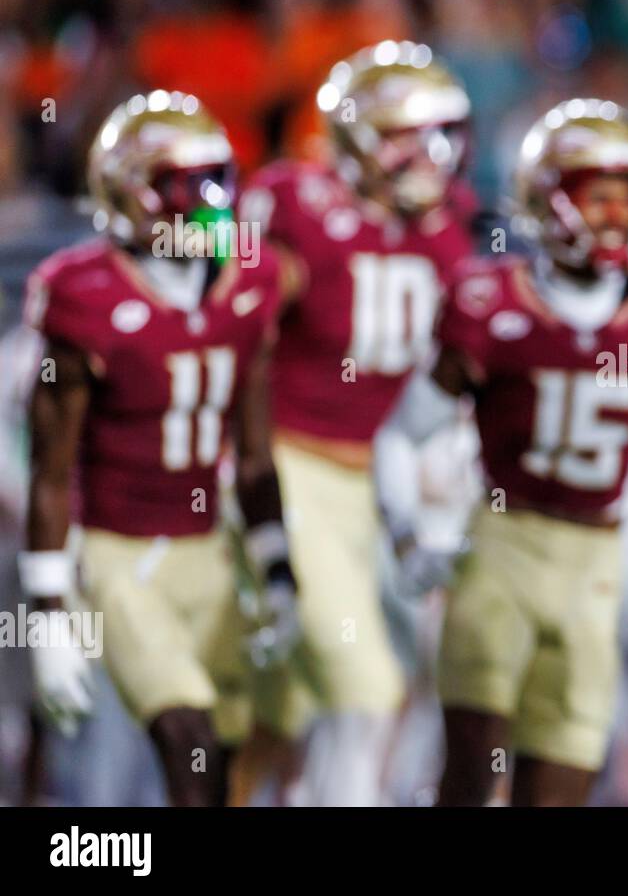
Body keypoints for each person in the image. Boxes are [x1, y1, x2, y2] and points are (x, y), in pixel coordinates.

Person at [374, 99, 628, 805]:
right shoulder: (489, 300)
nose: (614, 215)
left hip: (601, 561)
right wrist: (411, 532)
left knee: (562, 784)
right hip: (502, 550)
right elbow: (402, 433)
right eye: (594, 196)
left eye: (626, 197)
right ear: (547, 198)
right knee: (471, 780)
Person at [22, 92, 299, 806]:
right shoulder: (83, 296)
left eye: (214, 183)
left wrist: (275, 565)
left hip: (211, 551)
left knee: (226, 765)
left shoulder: (249, 281)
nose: (205, 206)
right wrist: (48, 612)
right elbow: (51, 477)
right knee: (190, 745)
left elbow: (256, 451)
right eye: (181, 186)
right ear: (128, 192)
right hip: (119, 554)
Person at [237, 41, 477, 805]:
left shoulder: (453, 225)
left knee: (291, 706)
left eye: (443, 133)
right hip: (298, 469)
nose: (433, 155)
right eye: (412, 134)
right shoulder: (297, 207)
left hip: (390, 481)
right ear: (361, 137)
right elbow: (233, 332)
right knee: (362, 686)